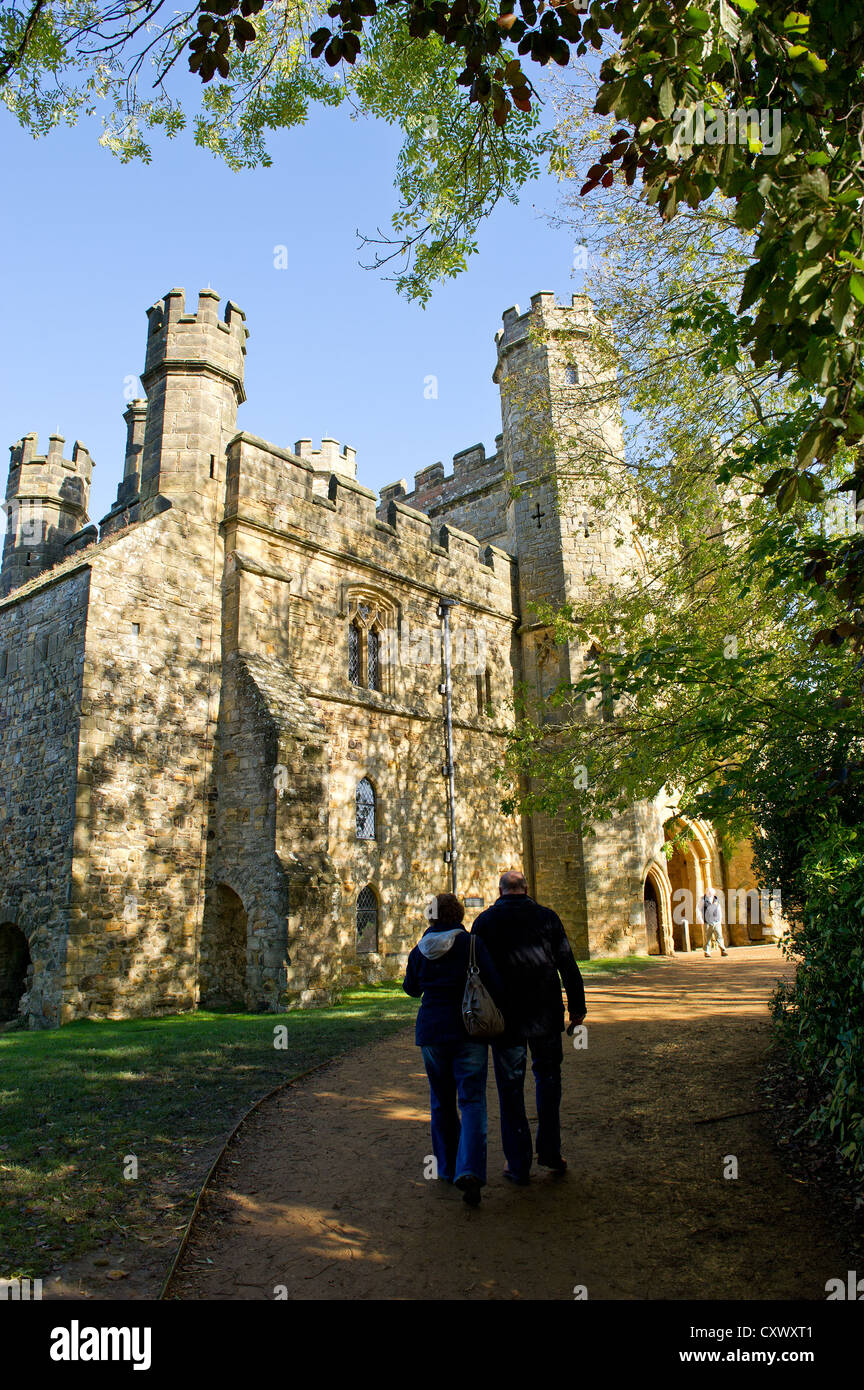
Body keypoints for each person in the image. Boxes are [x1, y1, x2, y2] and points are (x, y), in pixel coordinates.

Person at [472, 870, 586, 1184]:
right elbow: (567, 964)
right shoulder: (547, 917)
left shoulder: (484, 922)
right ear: (525, 889)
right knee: (548, 1083)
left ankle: (518, 1163)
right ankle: (550, 1153)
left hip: (505, 1020)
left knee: (510, 1090)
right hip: (545, 1017)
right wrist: (577, 1008)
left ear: (500, 890)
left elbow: (475, 973)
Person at [403, 892, 504, 1207]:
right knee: (472, 1100)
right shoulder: (471, 944)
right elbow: (494, 983)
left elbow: (411, 988)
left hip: (432, 1031)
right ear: (459, 915)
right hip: (467, 1030)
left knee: (441, 1101)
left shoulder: (420, 949)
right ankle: (470, 1169)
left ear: (431, 917)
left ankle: (446, 1168)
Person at [700, 886, 728, 957]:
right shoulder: (702, 900)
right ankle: (707, 952)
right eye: (708, 892)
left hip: (716, 921)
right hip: (707, 922)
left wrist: (721, 919)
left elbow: (719, 910)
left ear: (713, 893)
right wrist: (700, 919)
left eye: (711, 892)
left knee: (719, 936)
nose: (710, 893)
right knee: (707, 937)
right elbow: (698, 910)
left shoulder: (716, 900)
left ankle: (723, 950)